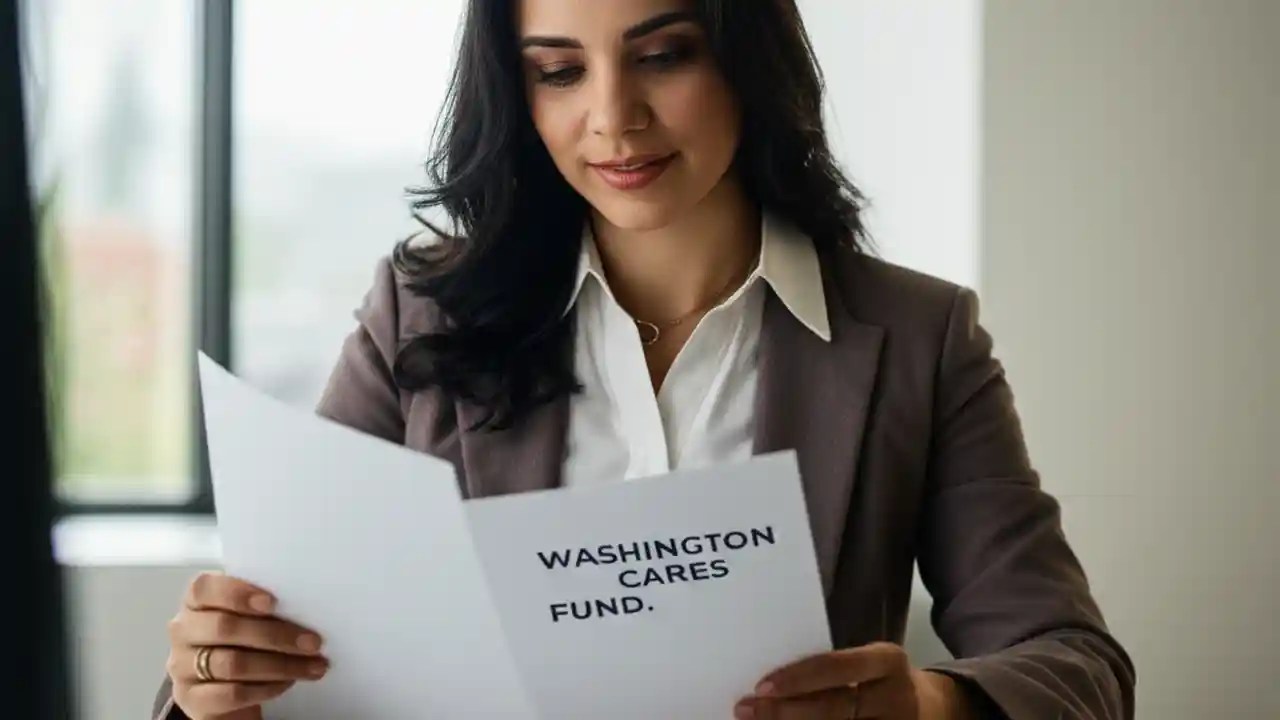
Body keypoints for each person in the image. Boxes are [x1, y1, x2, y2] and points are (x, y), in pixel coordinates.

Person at [154, 1, 1135, 718]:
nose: (613, 117)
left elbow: (1076, 666)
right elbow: (259, 653)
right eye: (558, 69)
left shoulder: (917, 336)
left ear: (746, 57)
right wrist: (213, 683)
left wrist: (923, 706)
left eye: (662, 55)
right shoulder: (417, 317)